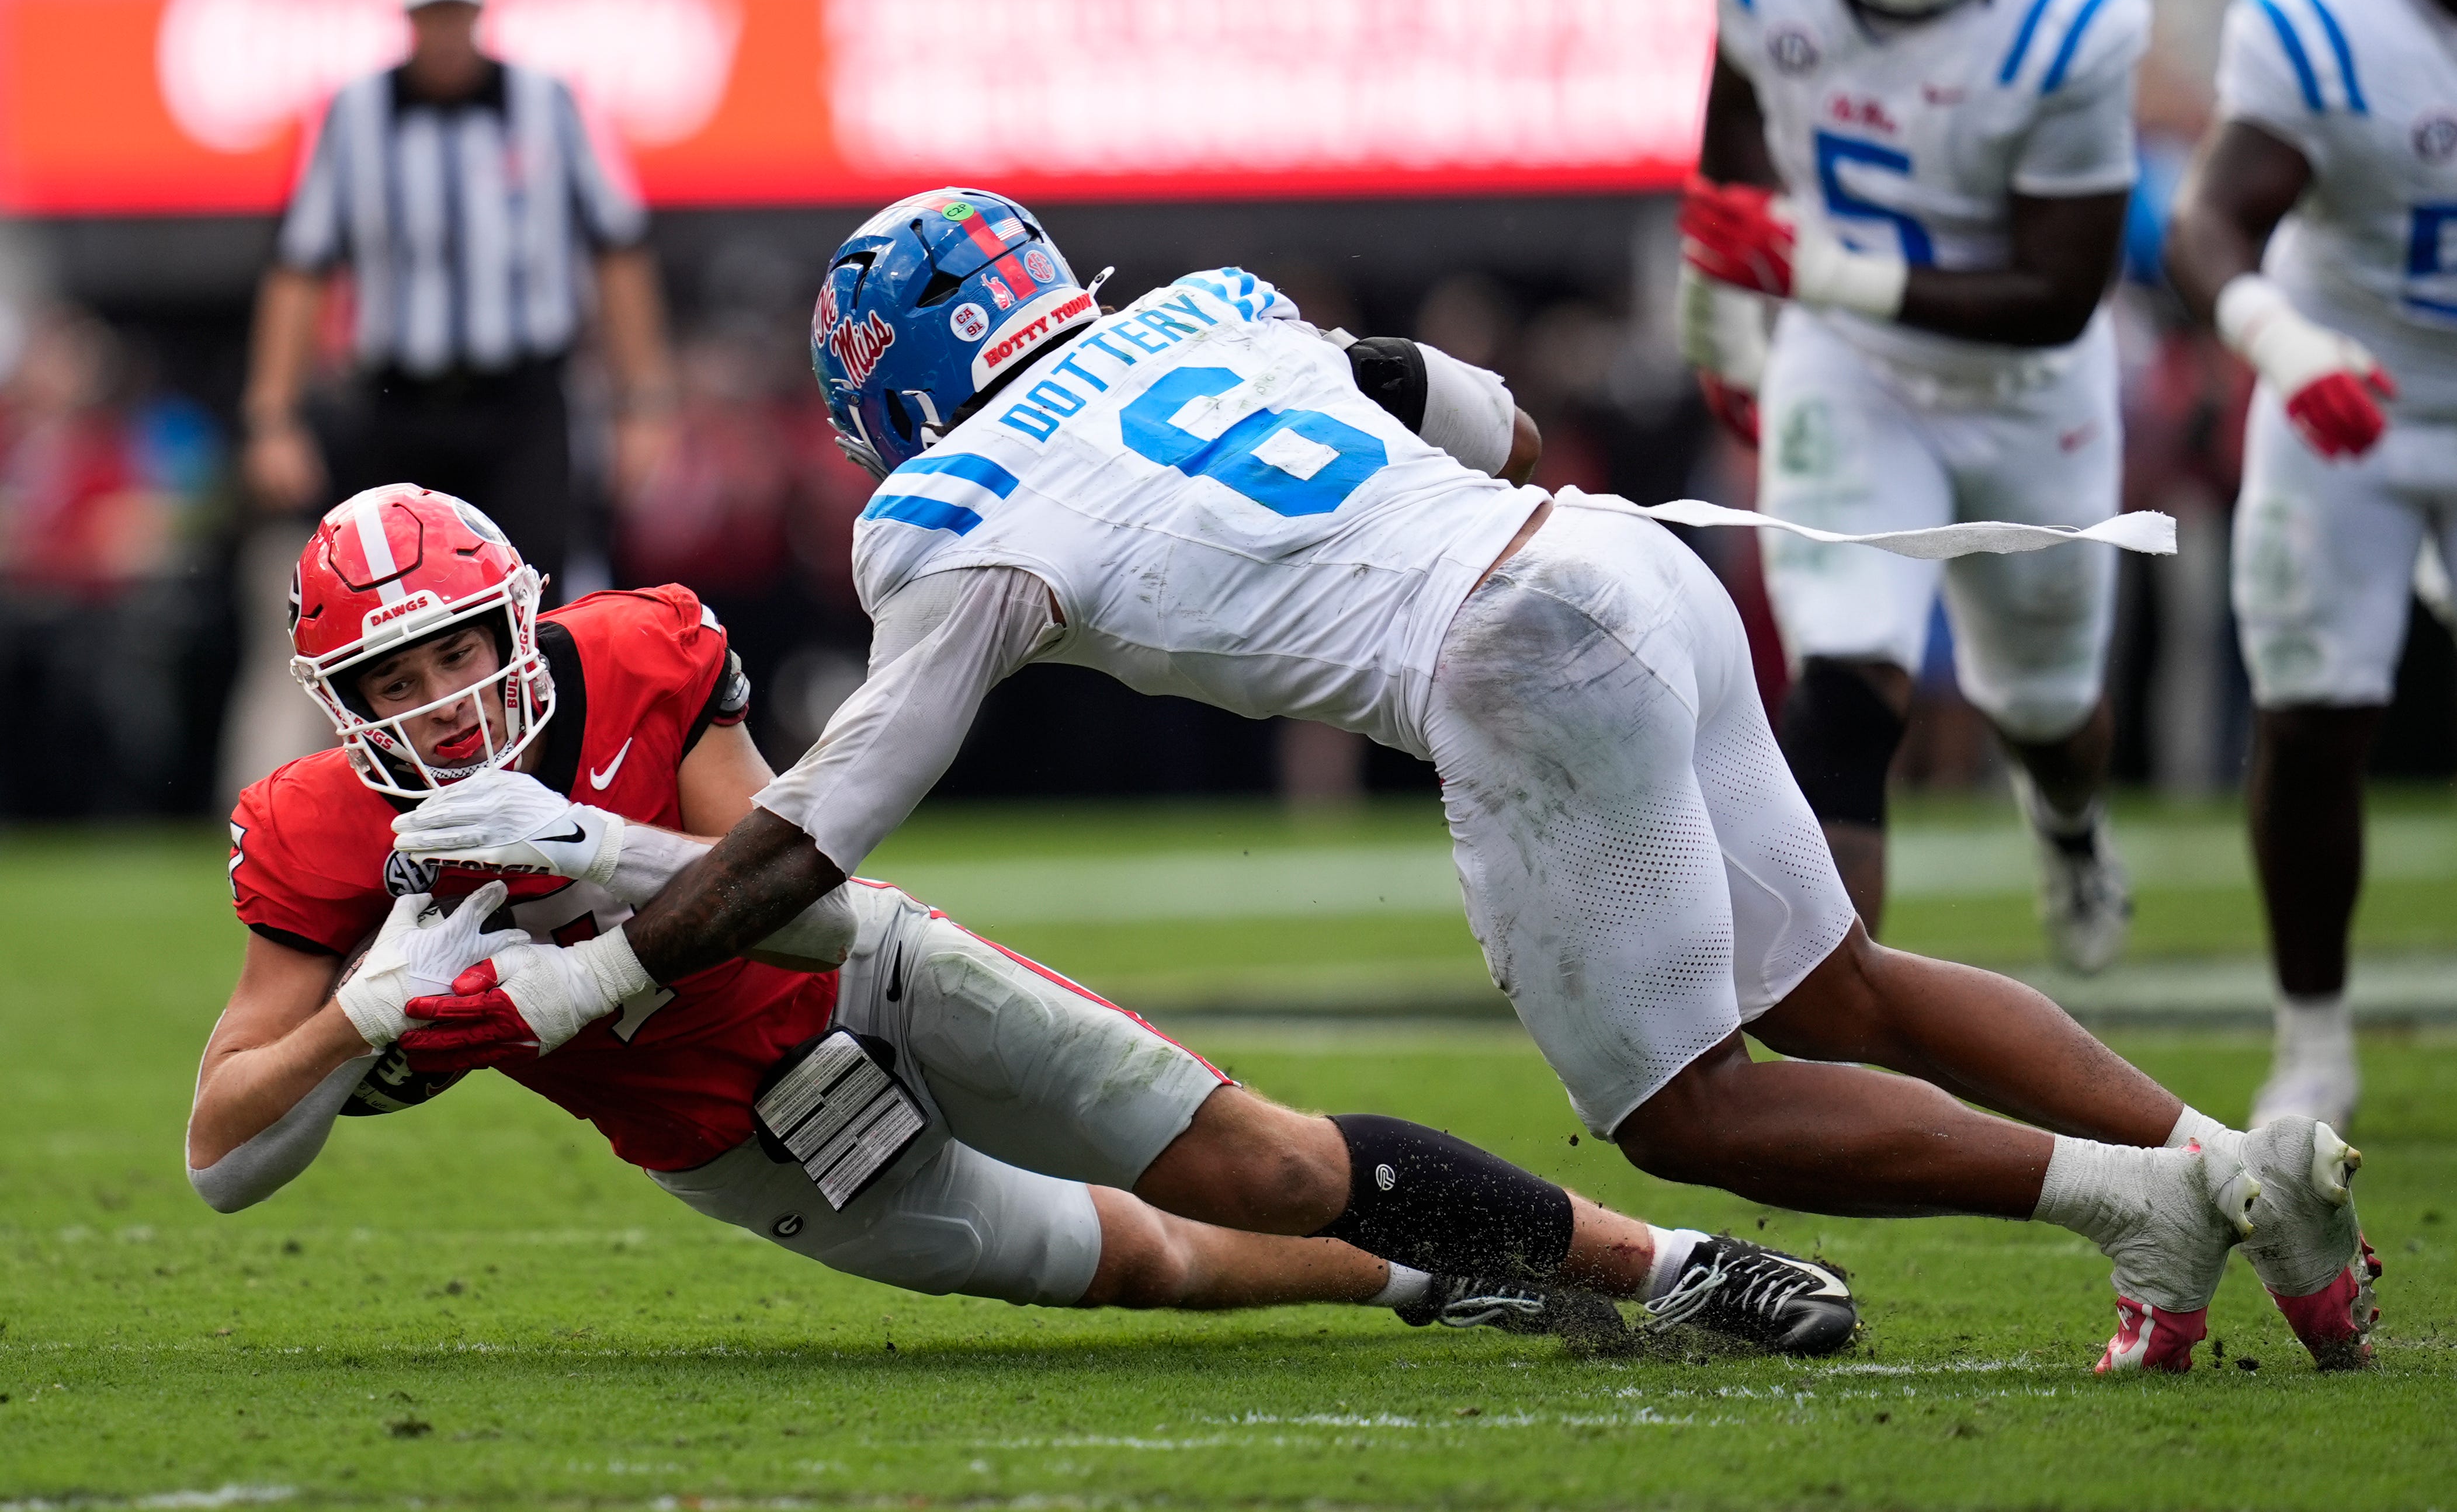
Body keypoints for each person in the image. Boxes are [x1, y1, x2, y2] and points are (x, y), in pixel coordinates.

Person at [377, 189, 2381, 1374]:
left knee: (1688, 1109)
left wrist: (591, 972)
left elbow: (825, 822)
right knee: (1838, 979)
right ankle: (2250, 1175)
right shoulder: (1210, 306)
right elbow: (1487, 417)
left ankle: (2149, 1196)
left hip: (1513, 653)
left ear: (892, 383)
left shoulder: (950, 506)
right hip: (1620, 561)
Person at [189, 483, 1859, 1355]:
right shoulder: (325, 831)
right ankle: (1418, 1282)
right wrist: (363, 1012)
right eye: (394, 679)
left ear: (517, 621)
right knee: (1146, 1258)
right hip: (731, 1133)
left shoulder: (636, 654)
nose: (442, 699)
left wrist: (591, 853)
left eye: (459, 650)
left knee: (1263, 1158)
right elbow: (221, 1153)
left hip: (866, 980)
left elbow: (794, 896)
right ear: (340, 700)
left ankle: (1672, 1265)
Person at [1675, 0, 2142, 973]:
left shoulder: (2073, 14)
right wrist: (1720, 310)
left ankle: (2067, 824)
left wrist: (1825, 274)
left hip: (2027, 389)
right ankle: (1832, 1018)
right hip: (1853, 368)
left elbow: (2059, 294)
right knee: (1844, 680)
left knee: (2047, 710)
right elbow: (1736, 121)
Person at [2161, 0, 2457, 1133]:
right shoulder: (2322, 18)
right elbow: (2209, 220)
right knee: (2313, 715)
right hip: (2349, 385)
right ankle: (2315, 1036)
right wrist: (2281, 343)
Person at [237, 0, 677, 594]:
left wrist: (644, 401)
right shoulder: (353, 113)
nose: (444, 30)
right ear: (406, 13)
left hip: (524, 403)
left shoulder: (550, 104)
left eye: (456, 10)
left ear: (481, 8)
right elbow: (300, 265)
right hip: (397, 402)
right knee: (398, 600)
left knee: (537, 594)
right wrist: (273, 415)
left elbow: (620, 249)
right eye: (429, 12)